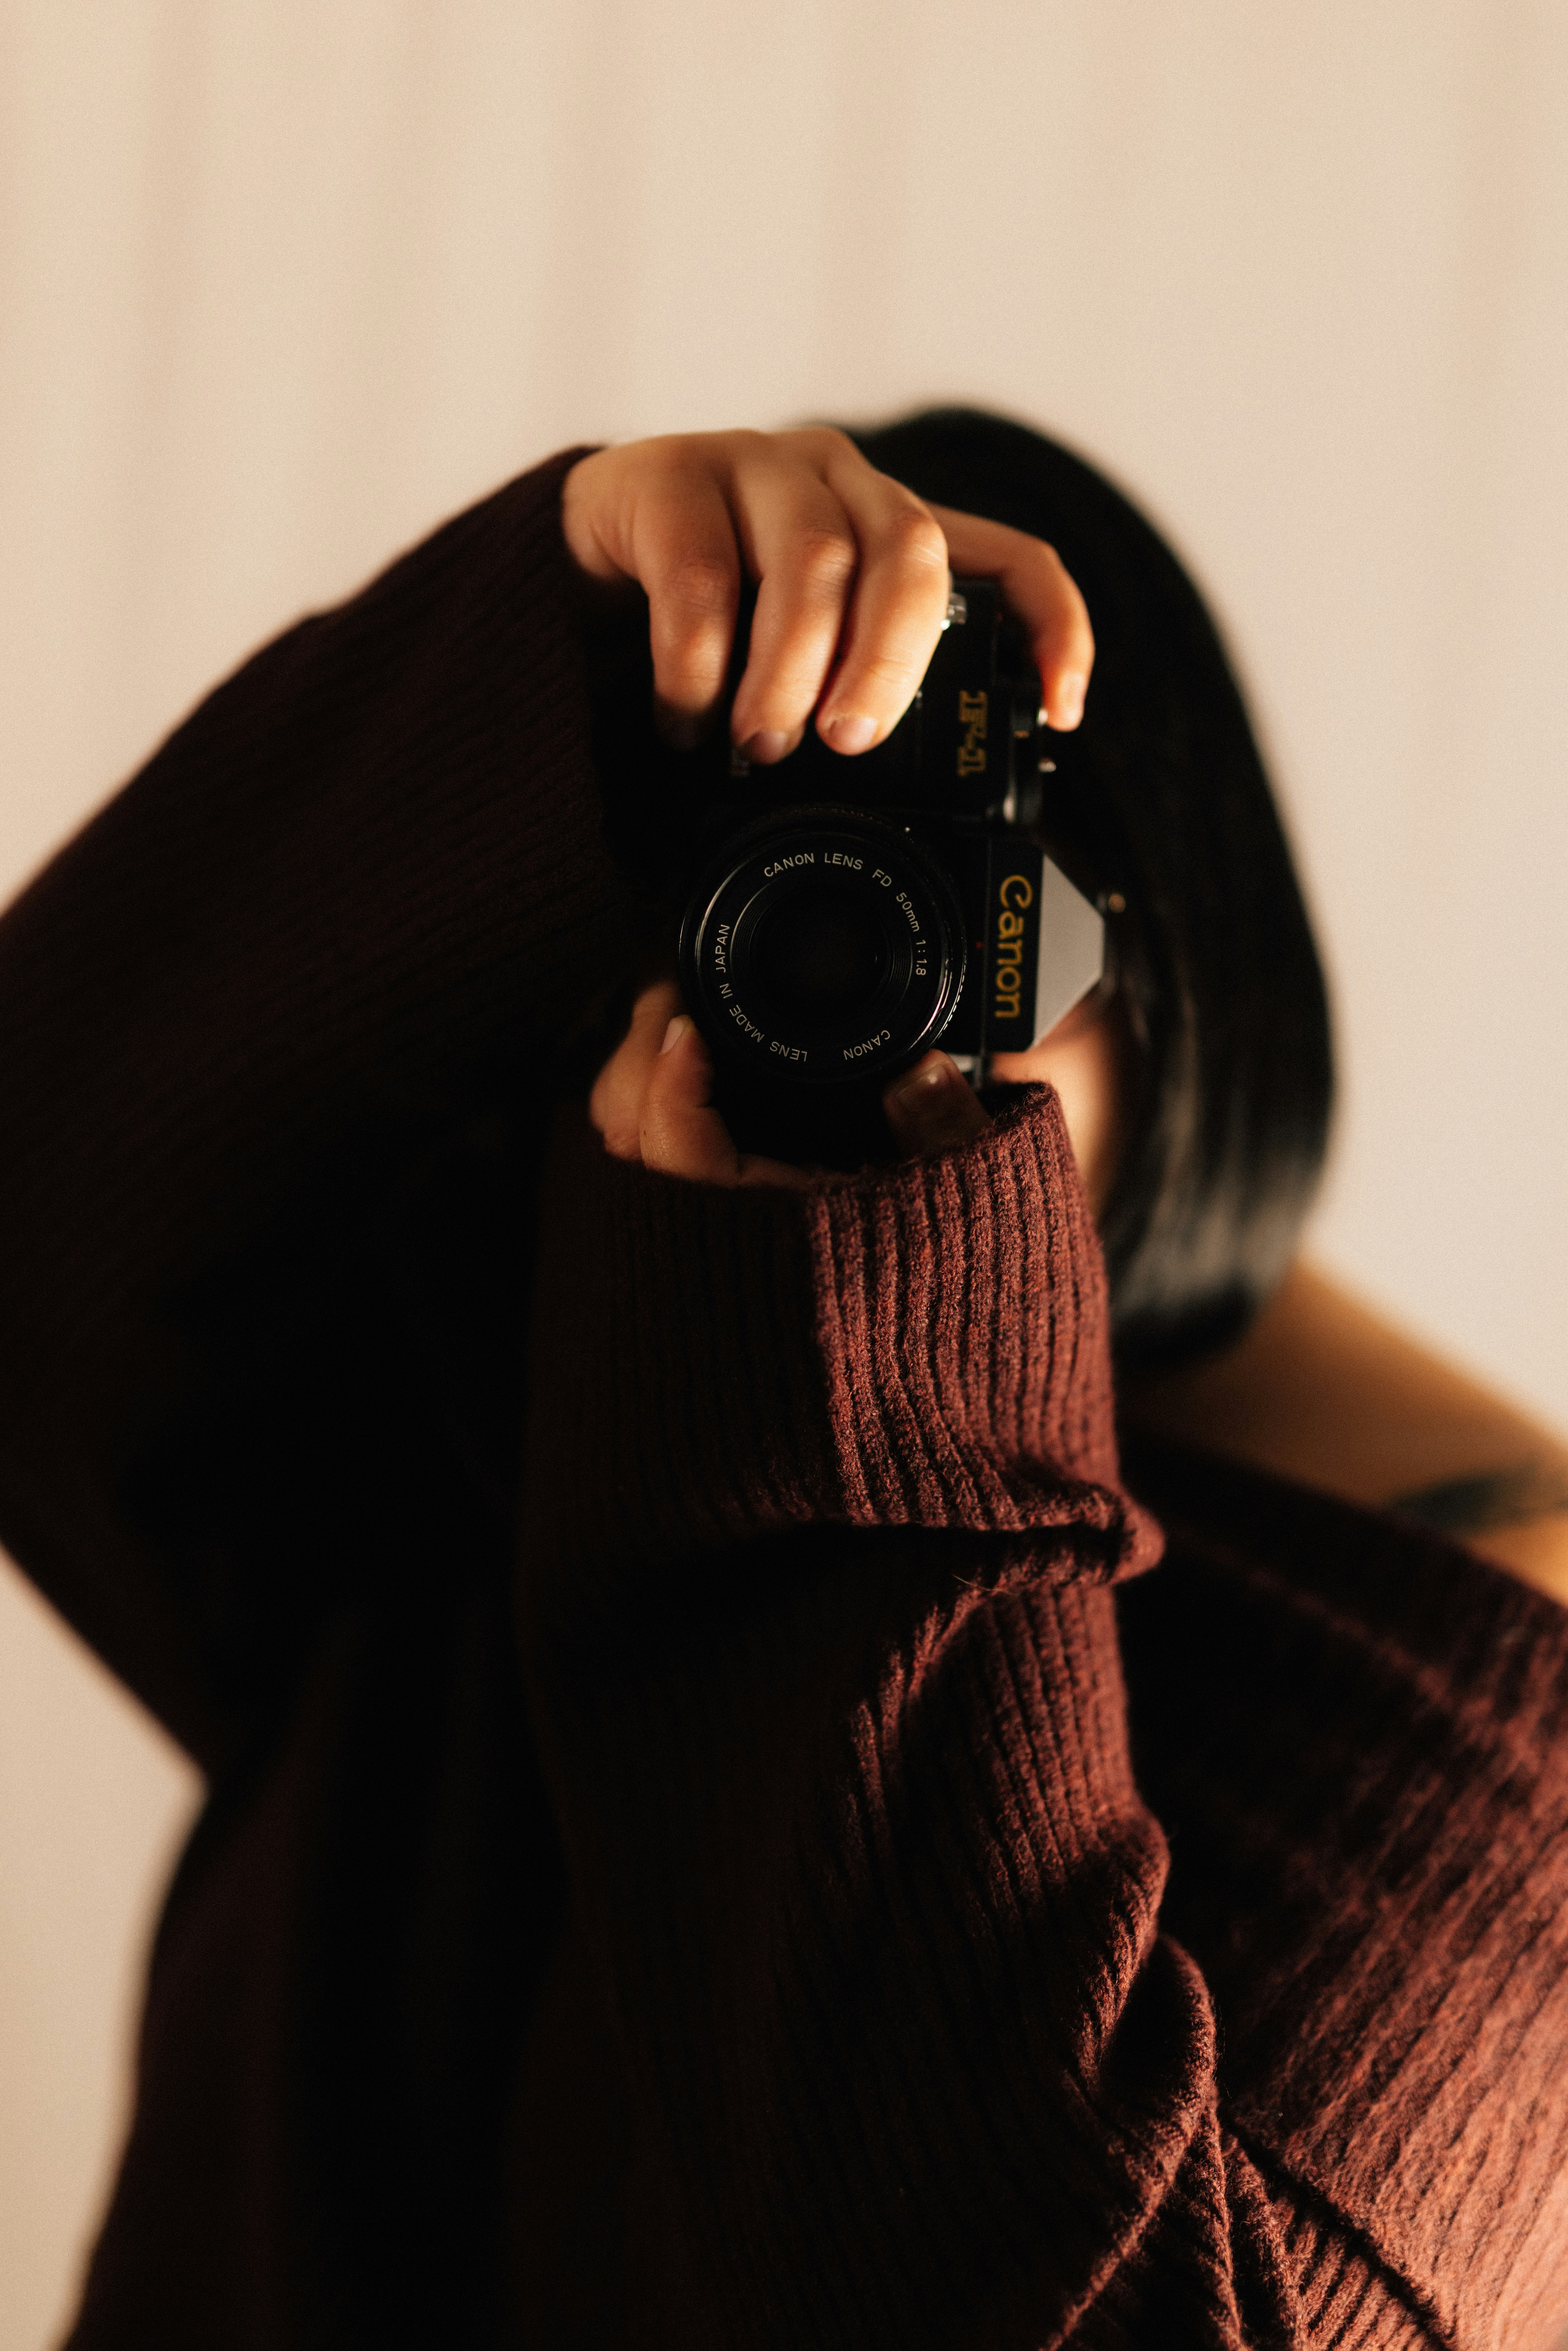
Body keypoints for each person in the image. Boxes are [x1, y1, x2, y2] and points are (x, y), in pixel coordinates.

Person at [0, 415, 1565, 2349]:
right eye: (728, 910)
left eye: (927, 889)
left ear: (1175, 941)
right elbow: (49, 1248)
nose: (806, 987)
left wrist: (838, 1367)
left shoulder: (1494, 1711)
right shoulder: (550, 1354)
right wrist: (546, 647)